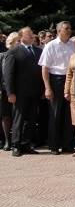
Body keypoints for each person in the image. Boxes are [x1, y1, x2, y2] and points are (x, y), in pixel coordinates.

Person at [3, 27, 43, 156]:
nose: (32, 36)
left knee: (32, 119)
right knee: (19, 119)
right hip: (20, 93)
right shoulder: (14, 52)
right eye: (29, 34)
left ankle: (26, 144)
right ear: (21, 37)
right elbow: (8, 74)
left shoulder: (38, 51)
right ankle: (16, 145)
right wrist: (10, 92)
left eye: (32, 33)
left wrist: (42, 89)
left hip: (35, 91)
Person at [39, 21, 75, 154]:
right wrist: (47, 87)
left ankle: (67, 143)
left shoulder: (72, 44)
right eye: (66, 28)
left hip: (70, 79)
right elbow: (45, 68)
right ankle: (54, 145)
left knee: (68, 114)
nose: (69, 30)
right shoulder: (51, 45)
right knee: (55, 113)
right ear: (59, 30)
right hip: (56, 80)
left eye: (70, 28)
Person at [0, 32, 19, 151]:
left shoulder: (23, 55)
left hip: (20, 90)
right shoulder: (2, 56)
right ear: (9, 43)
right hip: (4, 89)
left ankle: (18, 140)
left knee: (18, 116)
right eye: (17, 41)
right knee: (6, 115)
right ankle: (7, 140)